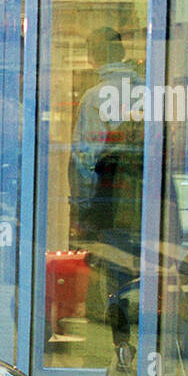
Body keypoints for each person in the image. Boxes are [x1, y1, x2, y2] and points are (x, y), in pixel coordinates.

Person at [71, 27, 142, 238]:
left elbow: (85, 157)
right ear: (121, 53)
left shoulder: (94, 97)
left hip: (108, 199)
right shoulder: (148, 90)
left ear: (91, 56)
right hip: (147, 201)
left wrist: (82, 205)